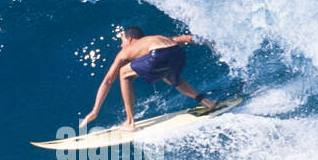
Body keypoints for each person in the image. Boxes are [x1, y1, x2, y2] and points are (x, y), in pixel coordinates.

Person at [80, 26, 217, 130]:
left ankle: (129, 121)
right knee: (171, 78)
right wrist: (211, 42)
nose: (121, 46)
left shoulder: (126, 51)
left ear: (130, 39)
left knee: (123, 73)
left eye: (122, 41)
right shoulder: (157, 39)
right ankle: (207, 102)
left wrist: (95, 110)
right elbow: (187, 38)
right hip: (176, 52)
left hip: (158, 54)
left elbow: (108, 80)